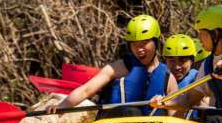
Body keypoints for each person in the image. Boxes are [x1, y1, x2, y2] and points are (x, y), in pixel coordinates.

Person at [47, 14, 177, 117]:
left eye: (145, 43)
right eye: (135, 44)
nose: (140, 49)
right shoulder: (117, 68)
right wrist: (63, 106)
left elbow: (176, 116)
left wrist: (166, 105)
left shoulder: (168, 78)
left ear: (156, 42)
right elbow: (86, 90)